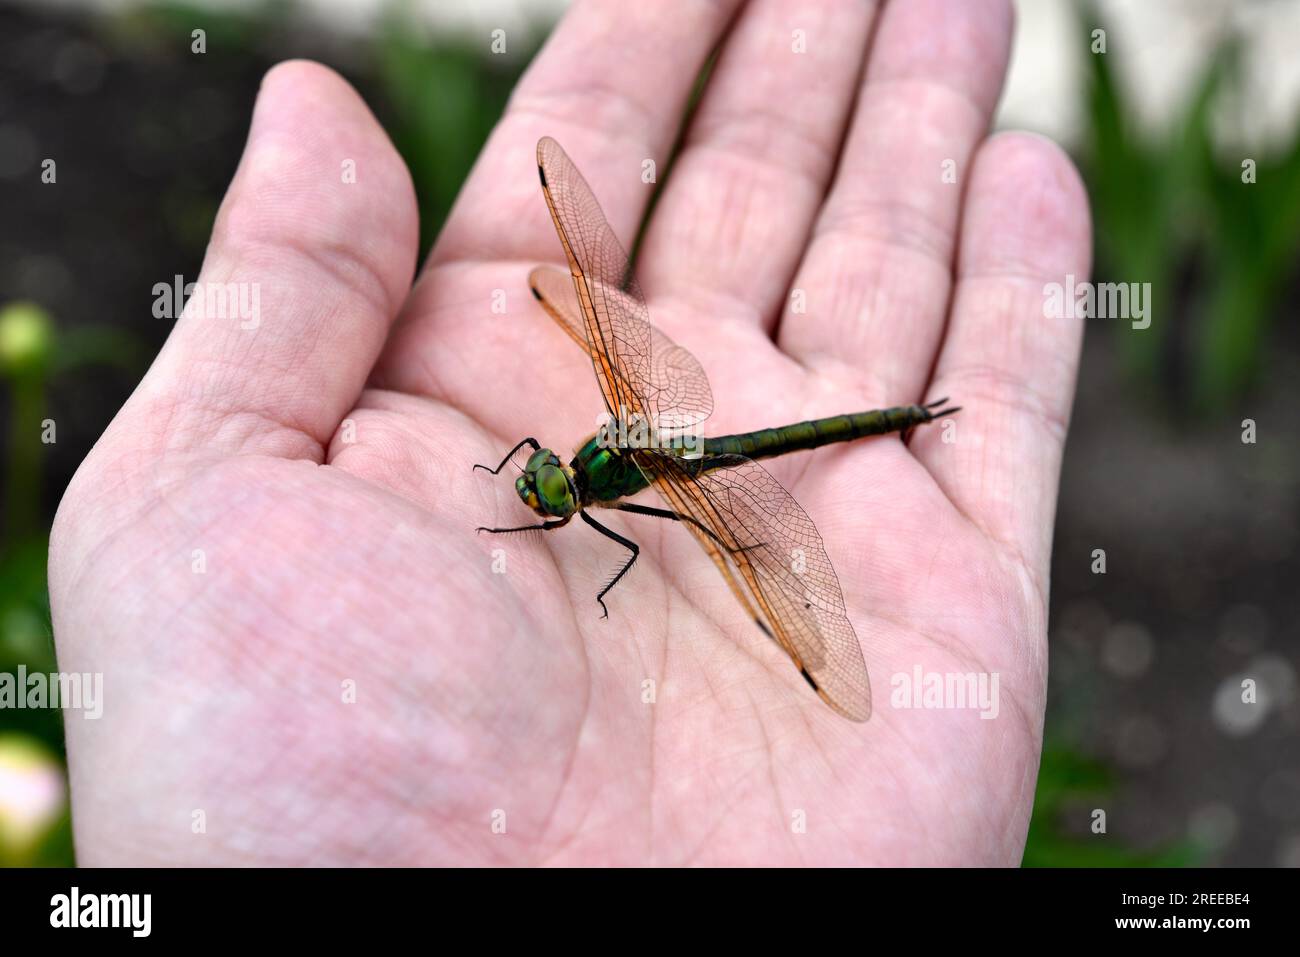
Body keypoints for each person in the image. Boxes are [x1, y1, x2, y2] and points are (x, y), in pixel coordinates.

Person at [49, 0, 1089, 865]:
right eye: (545, 483)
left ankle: (908, 418)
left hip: (726, 454)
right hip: (671, 448)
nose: (540, 483)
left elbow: (627, 542)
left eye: (544, 488)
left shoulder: (620, 501)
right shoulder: (573, 463)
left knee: (726, 545)